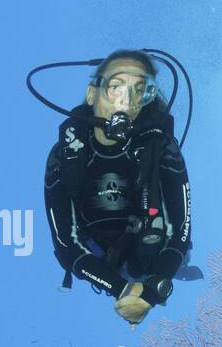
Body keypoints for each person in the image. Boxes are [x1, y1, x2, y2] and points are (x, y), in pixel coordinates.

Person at [43, 49, 196, 326]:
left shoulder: (161, 148)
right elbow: (66, 245)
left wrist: (154, 290)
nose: (126, 100)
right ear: (92, 95)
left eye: (139, 91)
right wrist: (121, 290)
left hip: (152, 254)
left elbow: (180, 234)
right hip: (100, 260)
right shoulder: (65, 155)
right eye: (116, 87)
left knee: (167, 248)